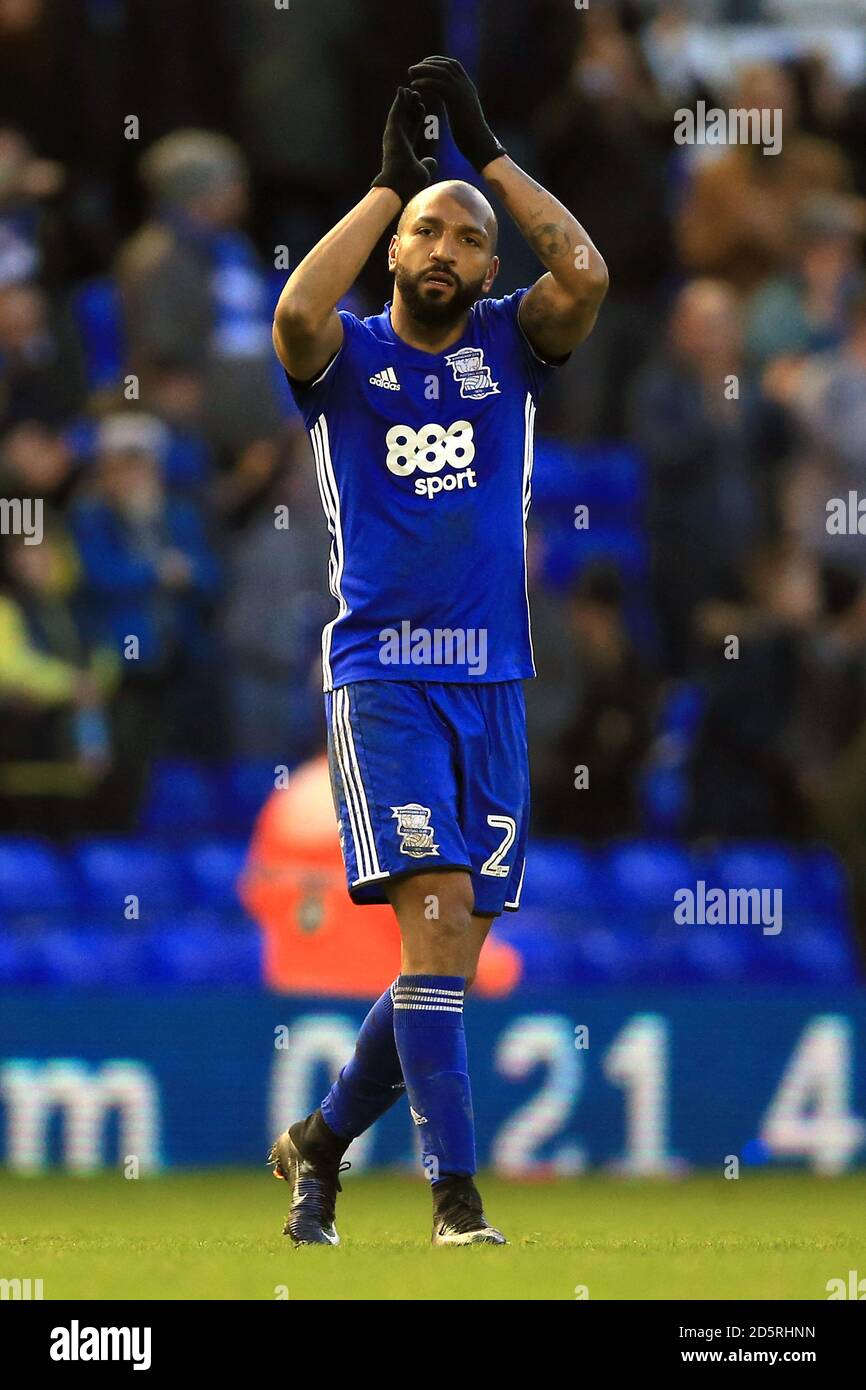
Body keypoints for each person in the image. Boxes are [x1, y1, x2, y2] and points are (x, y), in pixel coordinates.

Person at [268, 56, 608, 1247]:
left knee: (446, 951)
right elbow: (295, 318)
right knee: (438, 907)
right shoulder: (348, 360)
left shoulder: (513, 342)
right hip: (385, 679)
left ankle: (318, 1141)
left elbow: (587, 273)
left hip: (494, 684)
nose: (446, 247)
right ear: (394, 250)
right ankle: (454, 1201)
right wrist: (380, 187)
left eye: (465, 237)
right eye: (427, 229)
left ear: (485, 269)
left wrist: (489, 153)